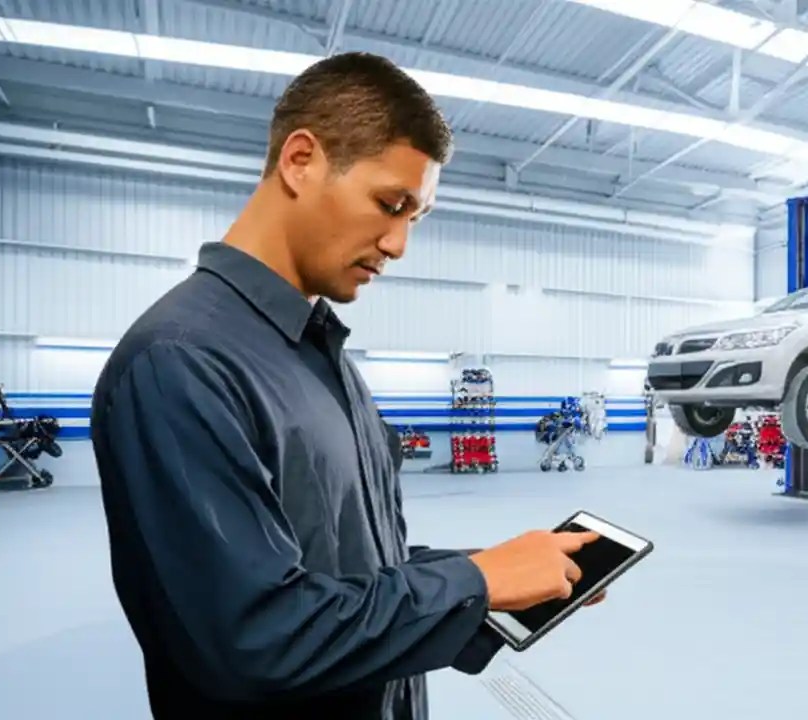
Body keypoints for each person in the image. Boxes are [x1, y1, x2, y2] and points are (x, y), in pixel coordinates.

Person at [90, 51, 603, 720]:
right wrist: (474, 583)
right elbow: (252, 638)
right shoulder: (180, 362)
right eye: (391, 205)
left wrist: (506, 572)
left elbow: (351, 571)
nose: (398, 246)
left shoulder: (323, 356)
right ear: (301, 161)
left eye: (414, 219)